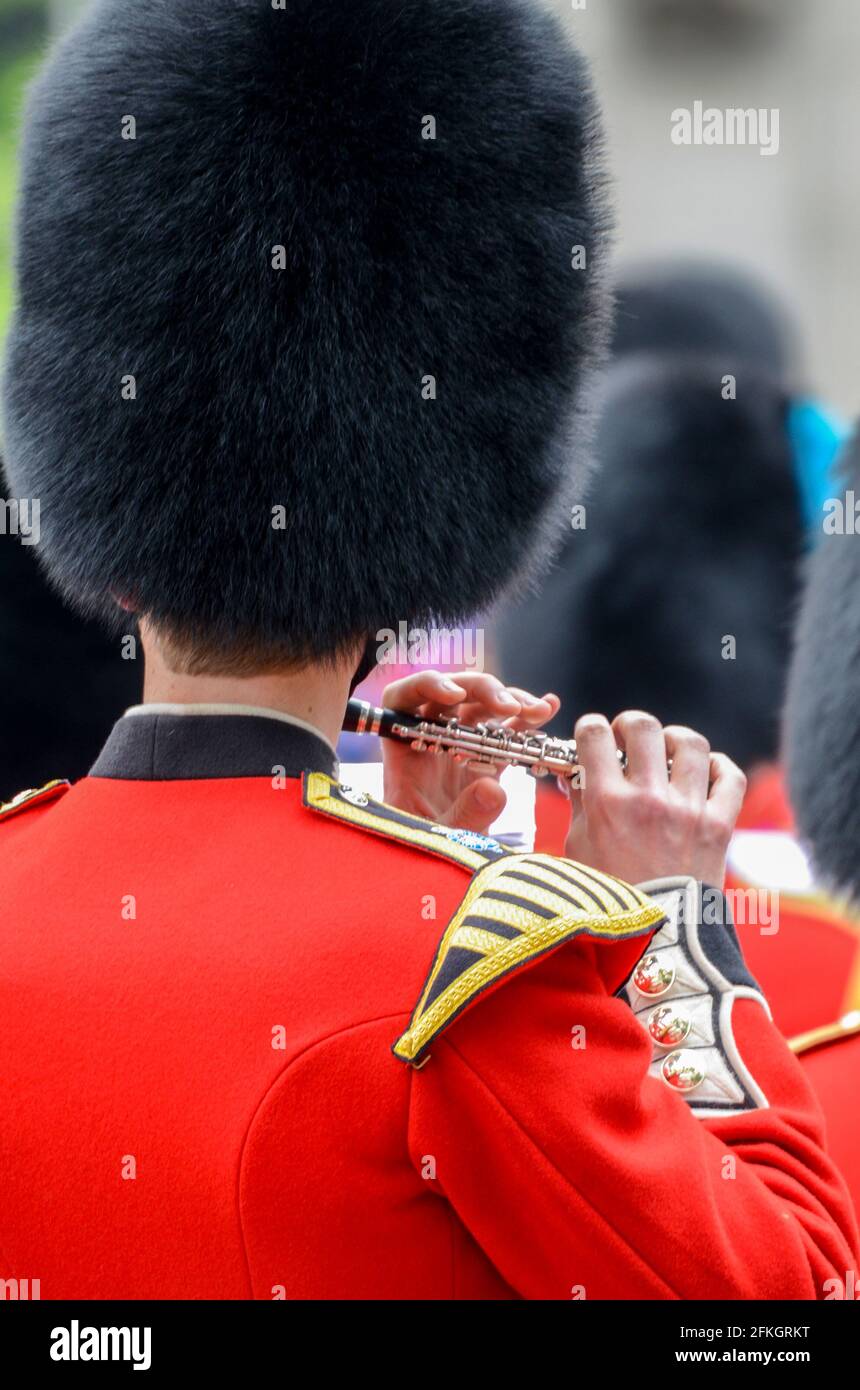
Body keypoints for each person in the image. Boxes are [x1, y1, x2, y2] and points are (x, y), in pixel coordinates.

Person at [0, 0, 855, 1301]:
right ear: (420, 536)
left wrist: (418, 849)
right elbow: (769, 1301)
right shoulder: (467, 972)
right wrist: (672, 915)